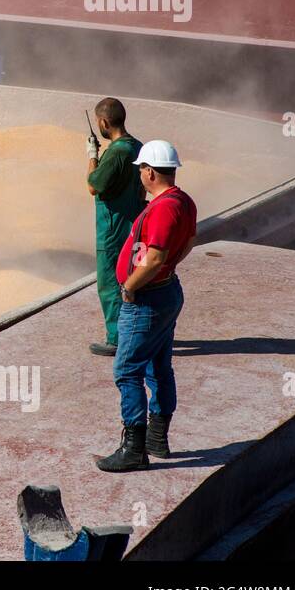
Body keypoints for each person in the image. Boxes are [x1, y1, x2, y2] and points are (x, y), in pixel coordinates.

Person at [97, 140, 198, 473]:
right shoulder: (182, 201)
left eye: (141, 168)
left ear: (151, 172)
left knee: (127, 371)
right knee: (158, 366)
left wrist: (130, 285)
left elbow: (154, 257)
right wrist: (166, 269)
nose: (140, 173)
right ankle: (157, 439)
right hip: (165, 293)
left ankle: (134, 449)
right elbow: (187, 244)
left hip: (147, 300)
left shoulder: (164, 208)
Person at [84, 98, 145, 357]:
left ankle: (116, 339)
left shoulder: (117, 152)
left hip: (112, 229)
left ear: (103, 122)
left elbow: (92, 185)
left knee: (110, 283)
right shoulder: (137, 146)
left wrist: (92, 155)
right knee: (133, 281)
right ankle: (138, 333)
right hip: (135, 224)